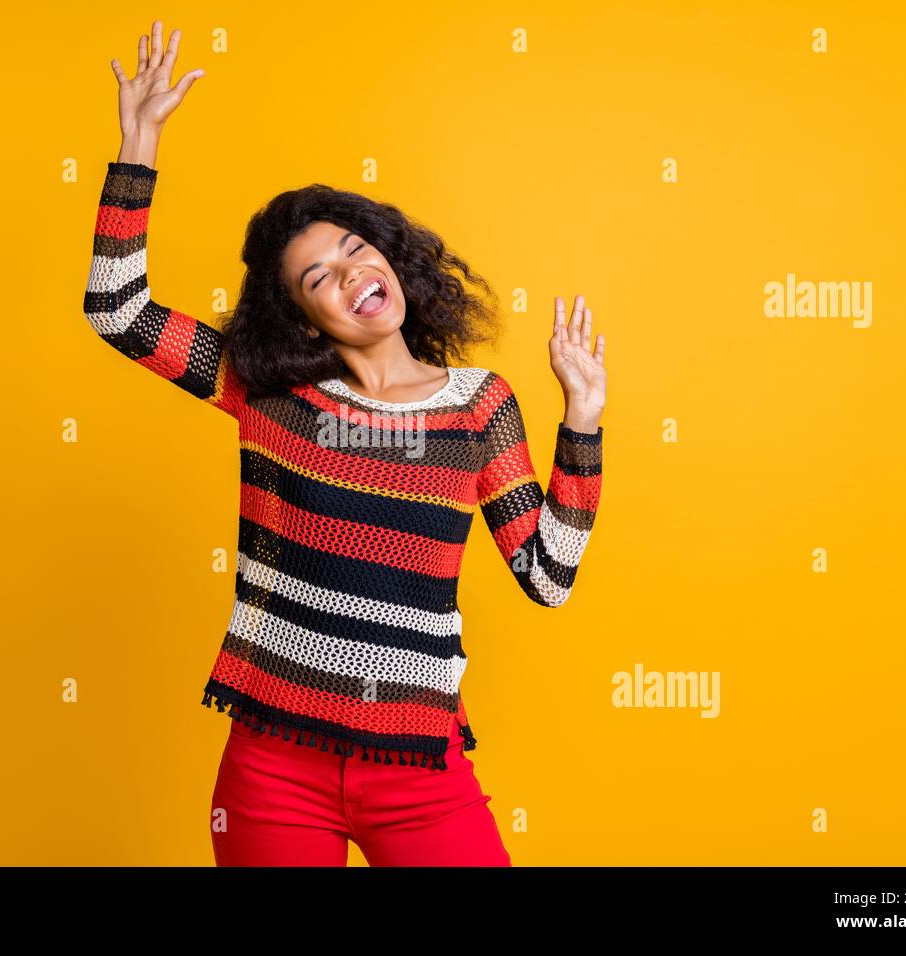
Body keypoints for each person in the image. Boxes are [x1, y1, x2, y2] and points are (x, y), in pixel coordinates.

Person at [83, 19, 607, 866]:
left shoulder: (480, 408)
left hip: (419, 771)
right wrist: (137, 147)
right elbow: (118, 310)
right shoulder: (270, 393)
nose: (350, 273)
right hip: (273, 767)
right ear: (301, 315)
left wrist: (581, 416)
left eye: (356, 249)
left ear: (393, 260)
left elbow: (546, 577)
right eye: (317, 276)